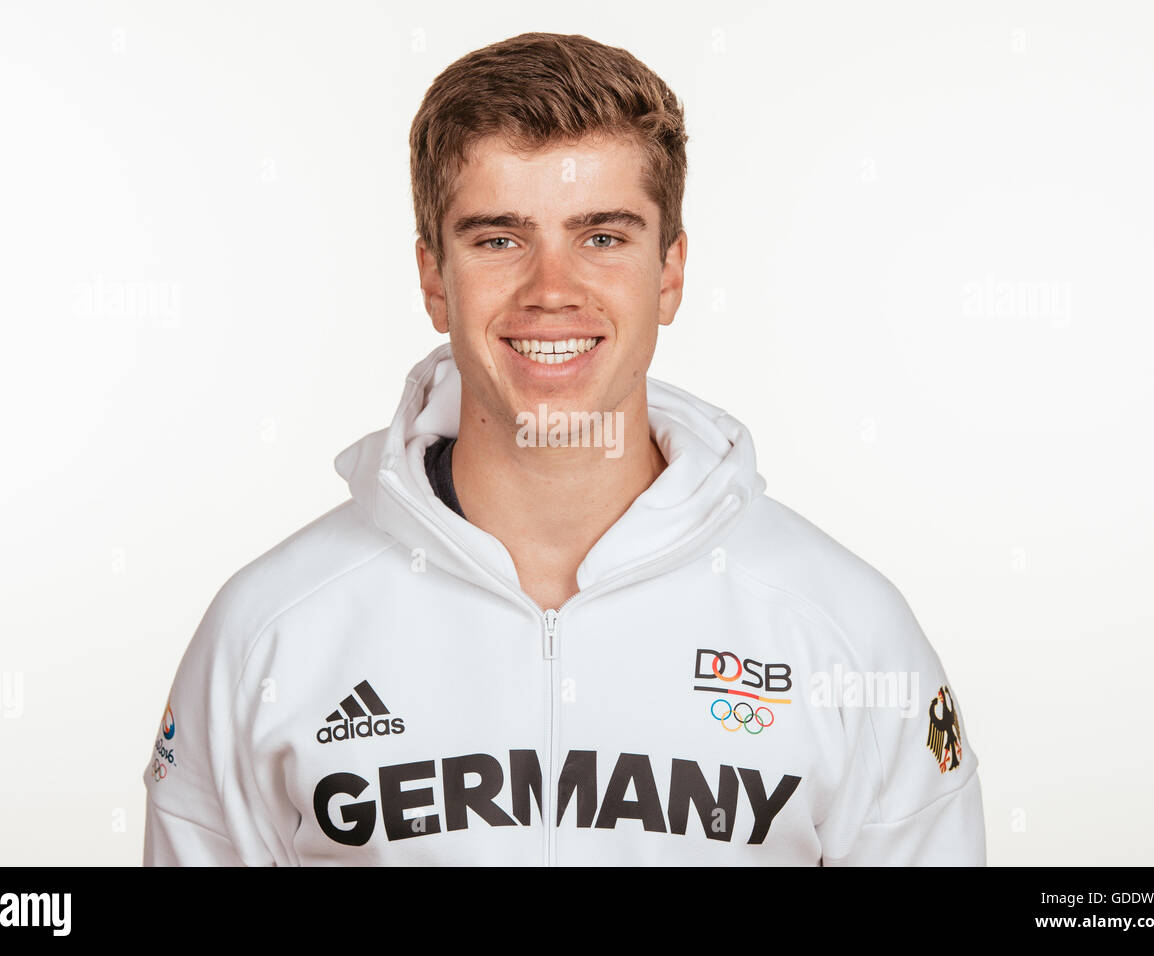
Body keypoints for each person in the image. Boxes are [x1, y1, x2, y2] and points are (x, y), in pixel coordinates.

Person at [142, 31, 986, 866]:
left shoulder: (845, 631)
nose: (552, 291)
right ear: (435, 278)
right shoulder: (269, 634)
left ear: (669, 274)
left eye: (603, 237)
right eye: (499, 239)